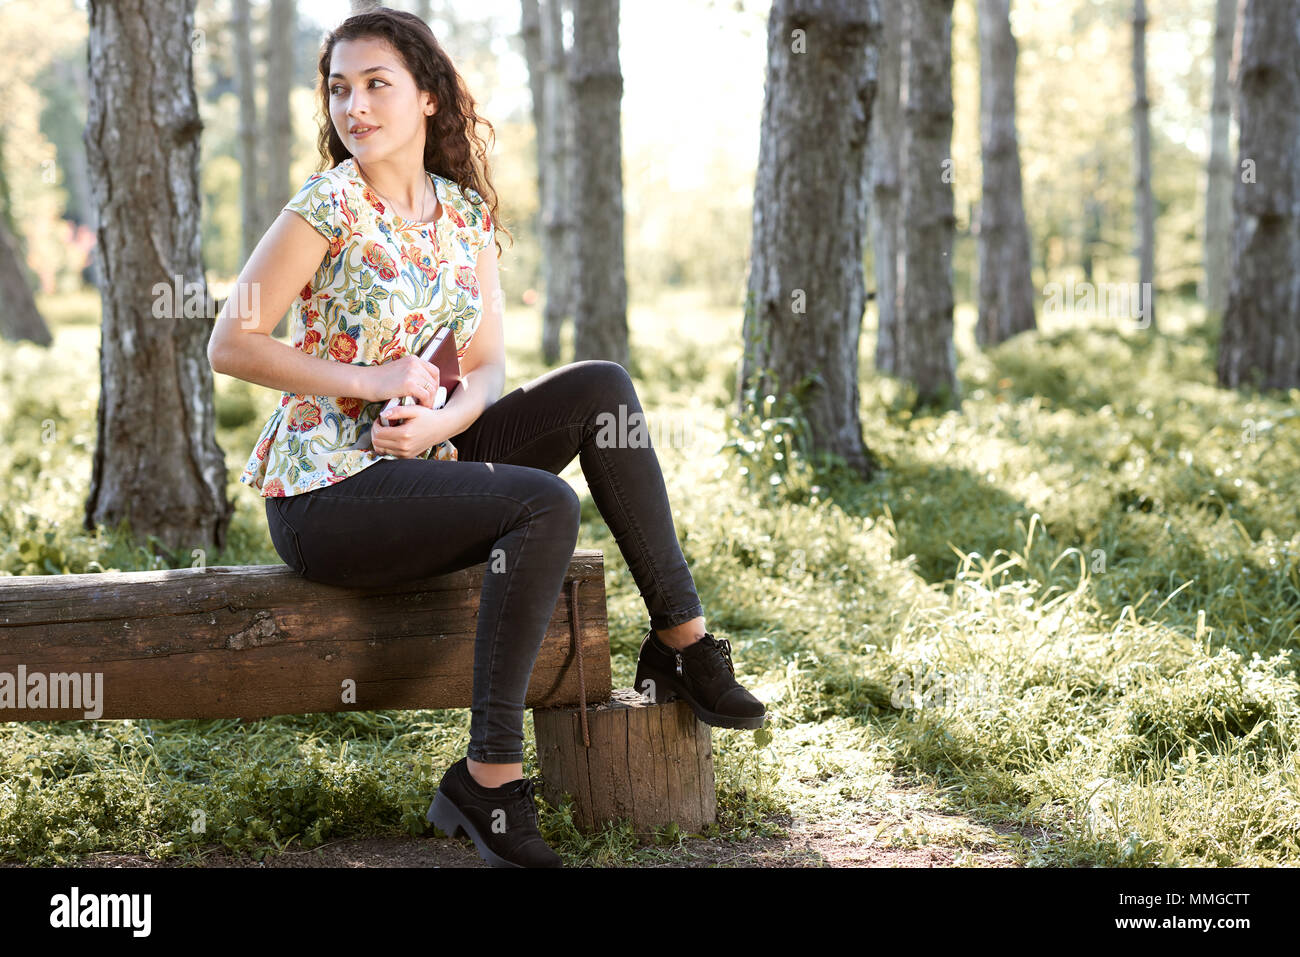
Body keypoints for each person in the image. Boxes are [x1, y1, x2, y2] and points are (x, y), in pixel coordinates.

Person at [206, 7, 765, 868]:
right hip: (327, 495)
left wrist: (440, 419)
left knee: (601, 389)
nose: (354, 106)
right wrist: (375, 381)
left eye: (376, 84)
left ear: (427, 96)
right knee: (545, 504)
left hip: (425, 454)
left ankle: (680, 641)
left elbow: (488, 364)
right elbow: (230, 342)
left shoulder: (462, 213)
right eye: (339, 89)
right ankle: (490, 778)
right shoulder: (326, 206)